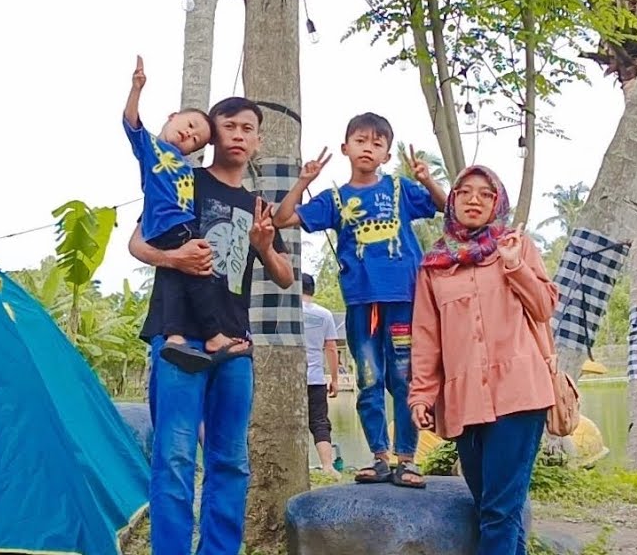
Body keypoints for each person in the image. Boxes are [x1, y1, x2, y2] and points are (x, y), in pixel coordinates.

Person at [129, 96, 294, 555]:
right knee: (176, 457)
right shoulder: (184, 178)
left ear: (257, 140)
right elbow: (137, 242)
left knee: (232, 461)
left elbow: (285, 278)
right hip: (178, 333)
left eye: (248, 129)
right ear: (212, 134)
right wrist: (173, 257)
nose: (238, 136)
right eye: (229, 127)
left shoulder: (258, 205)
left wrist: (265, 247)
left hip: (235, 343)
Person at [274, 112, 446, 489]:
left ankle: (407, 459)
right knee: (369, 380)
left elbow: (448, 209)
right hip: (360, 303)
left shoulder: (400, 190)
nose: (368, 148)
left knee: (403, 379)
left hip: (404, 299)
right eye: (361, 141)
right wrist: (304, 180)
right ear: (345, 148)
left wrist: (429, 180)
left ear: (386, 154)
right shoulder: (335, 199)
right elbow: (281, 219)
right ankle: (379, 458)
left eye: (377, 143)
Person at [408, 165, 558, 555]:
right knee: (495, 510)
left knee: (497, 511)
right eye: (465, 192)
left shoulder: (516, 246)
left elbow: (543, 308)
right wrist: (421, 395)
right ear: (452, 200)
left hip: (520, 394)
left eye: (485, 194)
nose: (474, 200)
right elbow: (426, 337)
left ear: (497, 203)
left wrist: (514, 265)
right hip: (464, 400)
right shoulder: (434, 266)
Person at [122, 56, 231, 372]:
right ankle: (212, 336)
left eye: (197, 139)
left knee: (178, 279)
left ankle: (176, 336)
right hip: (168, 226)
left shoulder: (188, 166)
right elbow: (131, 122)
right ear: (173, 117)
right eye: (190, 125)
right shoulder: (151, 148)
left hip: (183, 225)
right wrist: (136, 89)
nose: (190, 134)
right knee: (200, 278)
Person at [301, 272, 340, 473]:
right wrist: (334, 379)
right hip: (315, 378)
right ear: (312, 290)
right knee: (319, 422)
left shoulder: (289, 311)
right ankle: (327, 466)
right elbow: (331, 348)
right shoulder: (325, 314)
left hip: (292, 379)